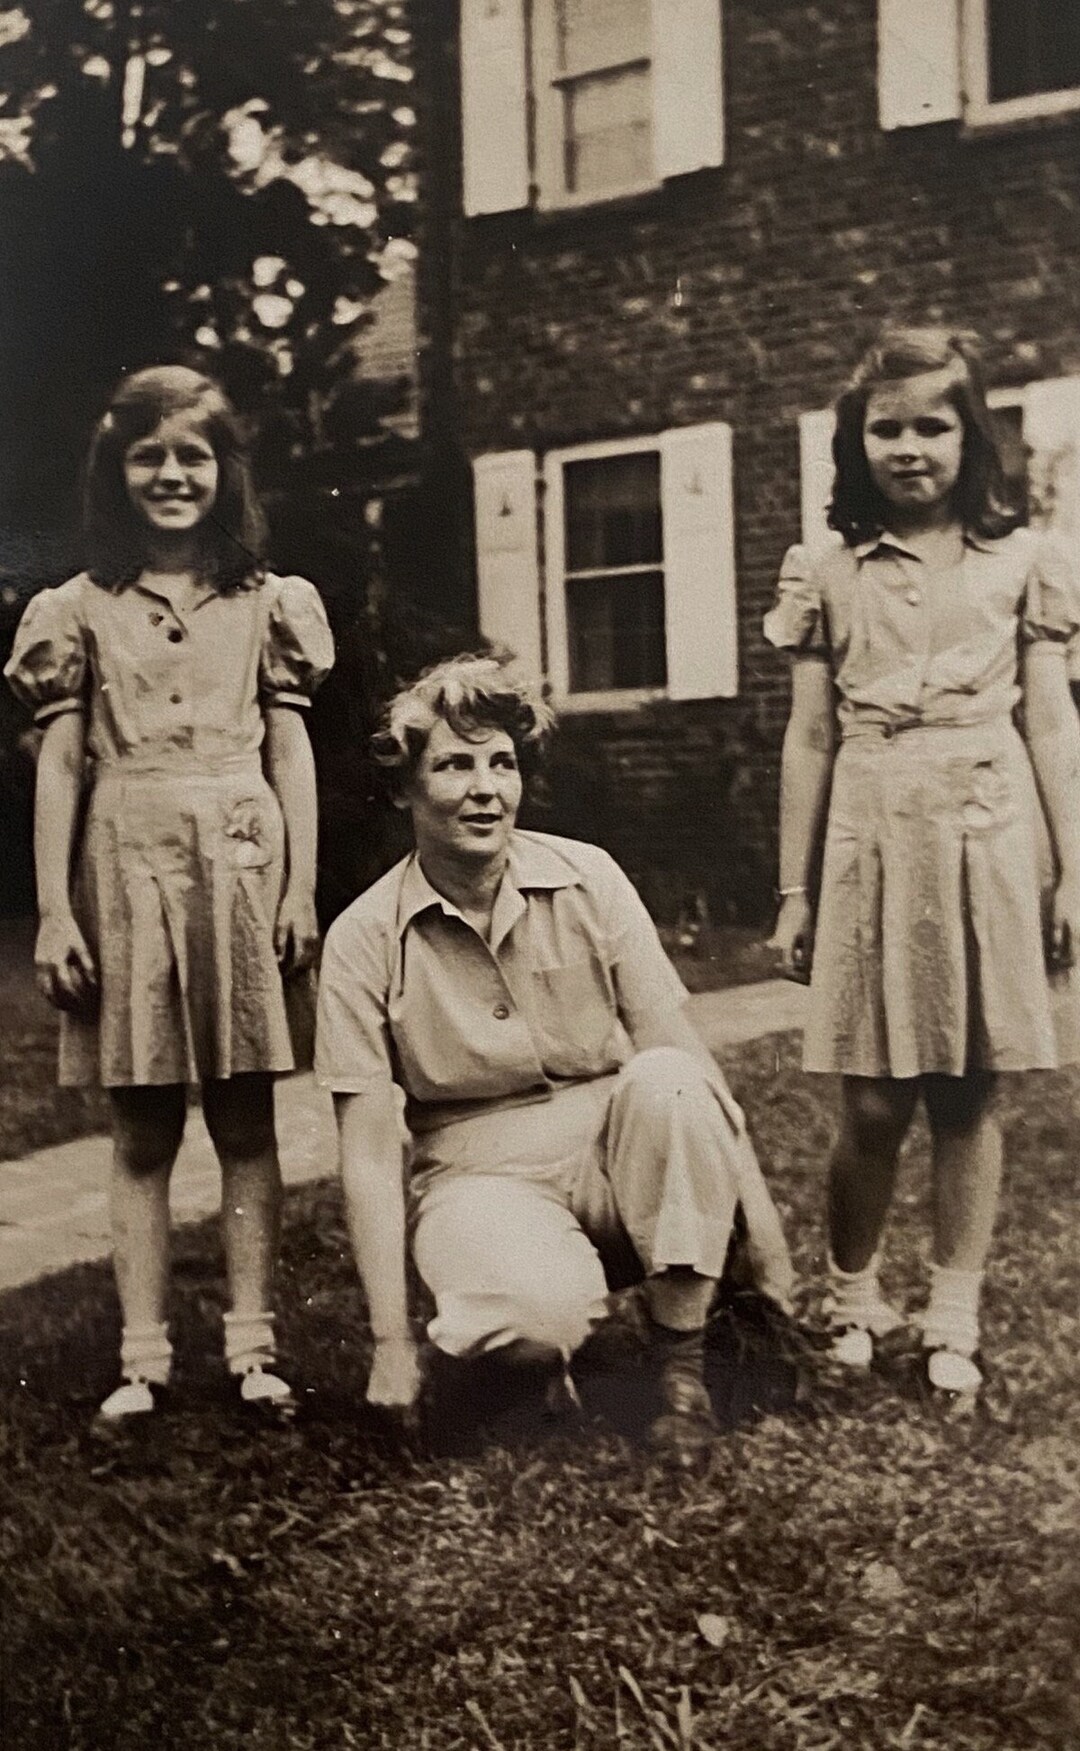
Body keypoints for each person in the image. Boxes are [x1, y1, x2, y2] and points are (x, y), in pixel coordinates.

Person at [315, 655, 794, 1457]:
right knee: (531, 1324)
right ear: (404, 788)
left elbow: (687, 1061)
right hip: (476, 1175)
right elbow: (367, 1147)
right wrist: (389, 1342)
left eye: (501, 762)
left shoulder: (589, 877)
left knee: (669, 1079)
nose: (485, 789)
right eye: (455, 765)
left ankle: (681, 1369)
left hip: (616, 1154)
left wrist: (768, 1233)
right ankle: (543, 1331)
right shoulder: (363, 939)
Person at [4, 366, 334, 1421]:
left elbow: (291, 748)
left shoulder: (268, 601)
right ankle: (141, 1357)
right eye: (149, 455)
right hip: (127, 857)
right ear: (117, 469)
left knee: (245, 1116)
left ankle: (253, 1347)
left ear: (225, 470)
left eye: (193, 455)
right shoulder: (78, 608)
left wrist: (299, 888)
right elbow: (60, 765)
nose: (172, 474)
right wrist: (55, 906)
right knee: (142, 1127)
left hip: (241, 856)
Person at [767, 326, 1080, 1394]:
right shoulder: (826, 566)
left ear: (972, 436)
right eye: (885, 427)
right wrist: (796, 888)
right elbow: (810, 735)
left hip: (990, 827)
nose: (910, 447)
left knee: (968, 1089)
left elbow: (1051, 721)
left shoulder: (1024, 561)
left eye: (933, 425)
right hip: (872, 822)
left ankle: (955, 1309)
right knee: (872, 1098)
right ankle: (851, 1296)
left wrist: (1073, 866)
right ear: (856, 445)